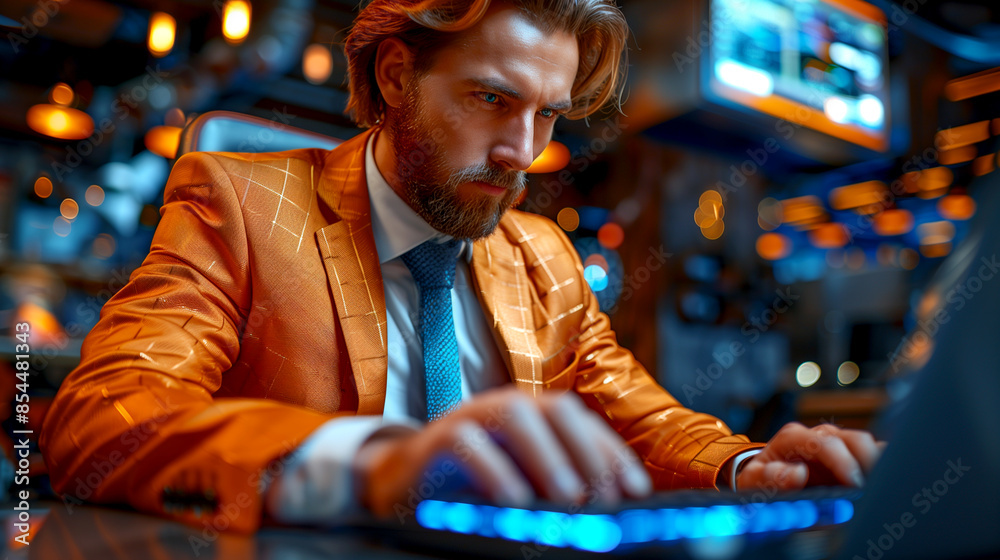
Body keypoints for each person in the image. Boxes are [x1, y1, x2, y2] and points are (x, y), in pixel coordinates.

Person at [40, 0, 882, 532]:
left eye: (548, 114)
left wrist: (749, 465)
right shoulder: (241, 204)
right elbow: (100, 426)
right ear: (399, 75)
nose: (523, 151)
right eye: (491, 99)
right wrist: (368, 461)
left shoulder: (543, 256)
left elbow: (645, 422)